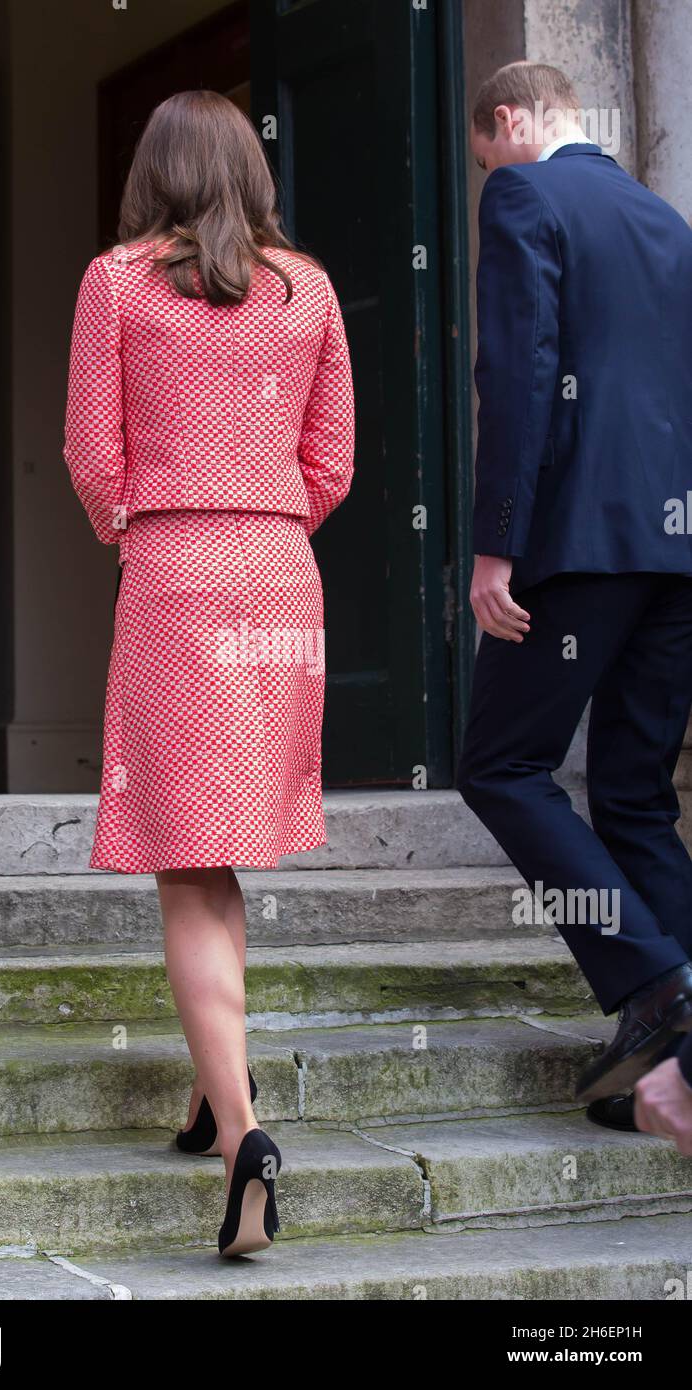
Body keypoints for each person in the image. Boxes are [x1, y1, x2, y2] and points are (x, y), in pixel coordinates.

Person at [63, 90, 354, 1255]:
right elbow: (329, 460)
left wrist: (140, 524)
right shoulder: (310, 289)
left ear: (152, 172)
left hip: (176, 568)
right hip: (281, 574)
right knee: (220, 846)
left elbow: (93, 456)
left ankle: (242, 1136)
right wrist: (268, 520)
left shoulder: (116, 281)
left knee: (186, 865)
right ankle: (208, 1081)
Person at [456, 61, 692, 1130]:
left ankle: (649, 983)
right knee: (635, 795)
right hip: (675, 550)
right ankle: (676, 1040)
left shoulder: (523, 195)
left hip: (579, 544)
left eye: (482, 152)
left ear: (509, 120)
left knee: (499, 764)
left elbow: (517, 374)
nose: (485, 174)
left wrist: (493, 547)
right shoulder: (662, 218)